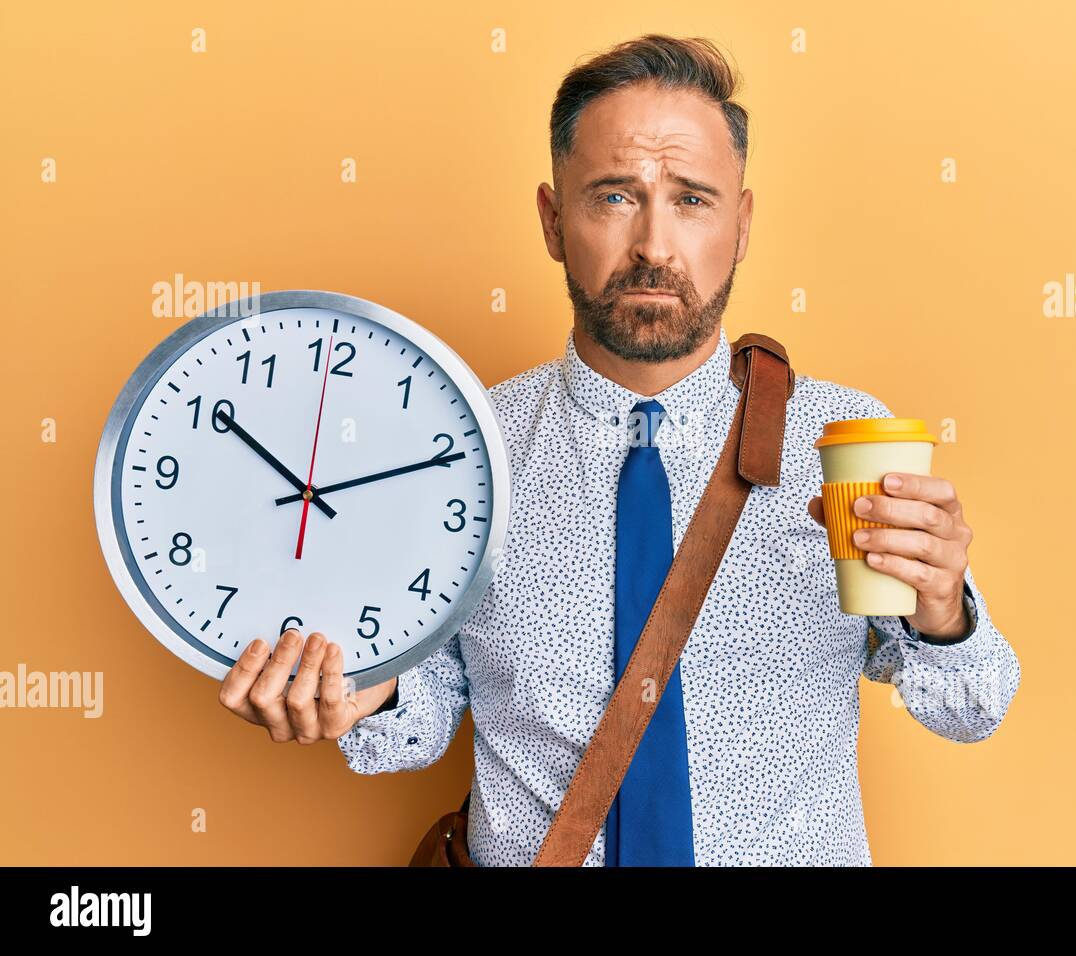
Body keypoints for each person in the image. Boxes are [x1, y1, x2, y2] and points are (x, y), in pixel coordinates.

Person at [219, 33, 1021, 866]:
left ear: (741, 225)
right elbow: (416, 722)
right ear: (551, 220)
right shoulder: (459, 455)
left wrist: (943, 611)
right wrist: (353, 695)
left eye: (693, 200)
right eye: (612, 197)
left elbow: (972, 707)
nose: (654, 247)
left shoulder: (842, 440)